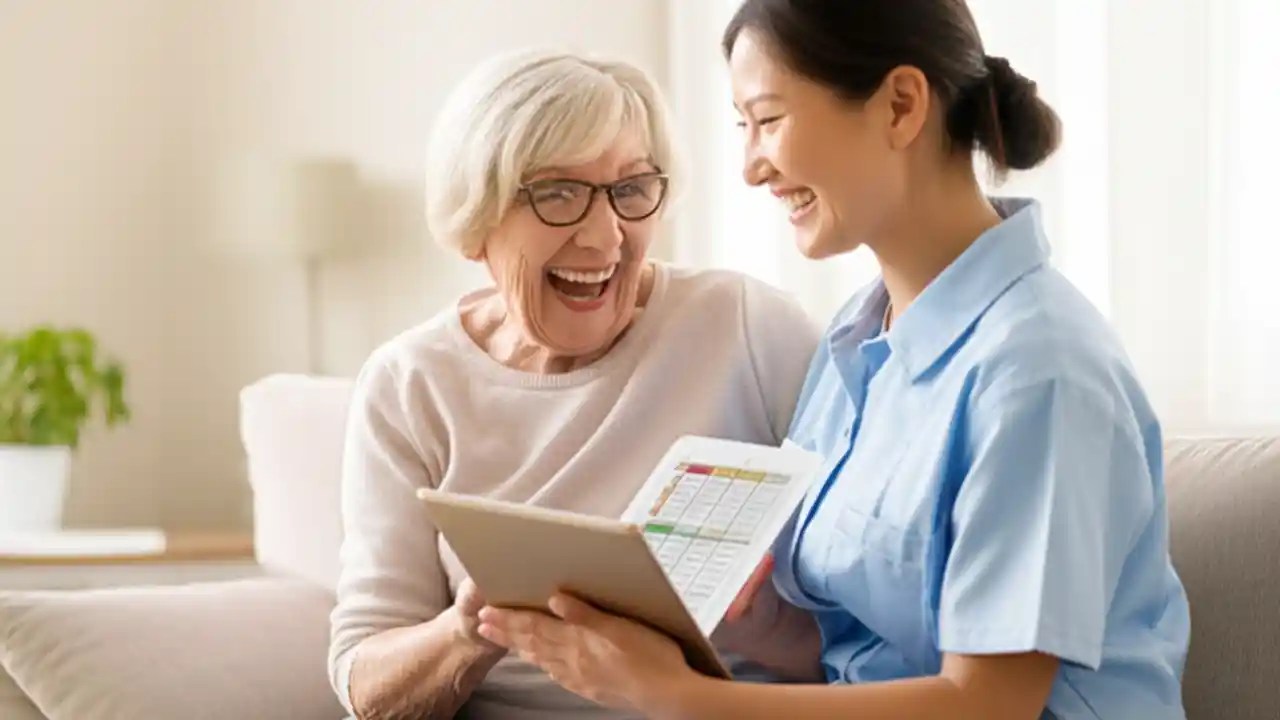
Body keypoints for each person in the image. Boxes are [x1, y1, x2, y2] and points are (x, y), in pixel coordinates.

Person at [476, 2, 1192, 719]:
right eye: (742, 126)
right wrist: (741, 625)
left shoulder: (1039, 371)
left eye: (769, 120)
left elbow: (987, 705)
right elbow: (864, 652)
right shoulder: (859, 336)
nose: (752, 167)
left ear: (901, 106)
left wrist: (671, 694)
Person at [326, 47, 822, 720]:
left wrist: (752, 617)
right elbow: (367, 689)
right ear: (477, 220)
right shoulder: (409, 384)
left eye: (630, 188)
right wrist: (473, 625)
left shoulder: (747, 328)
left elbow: (882, 645)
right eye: (557, 193)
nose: (606, 236)